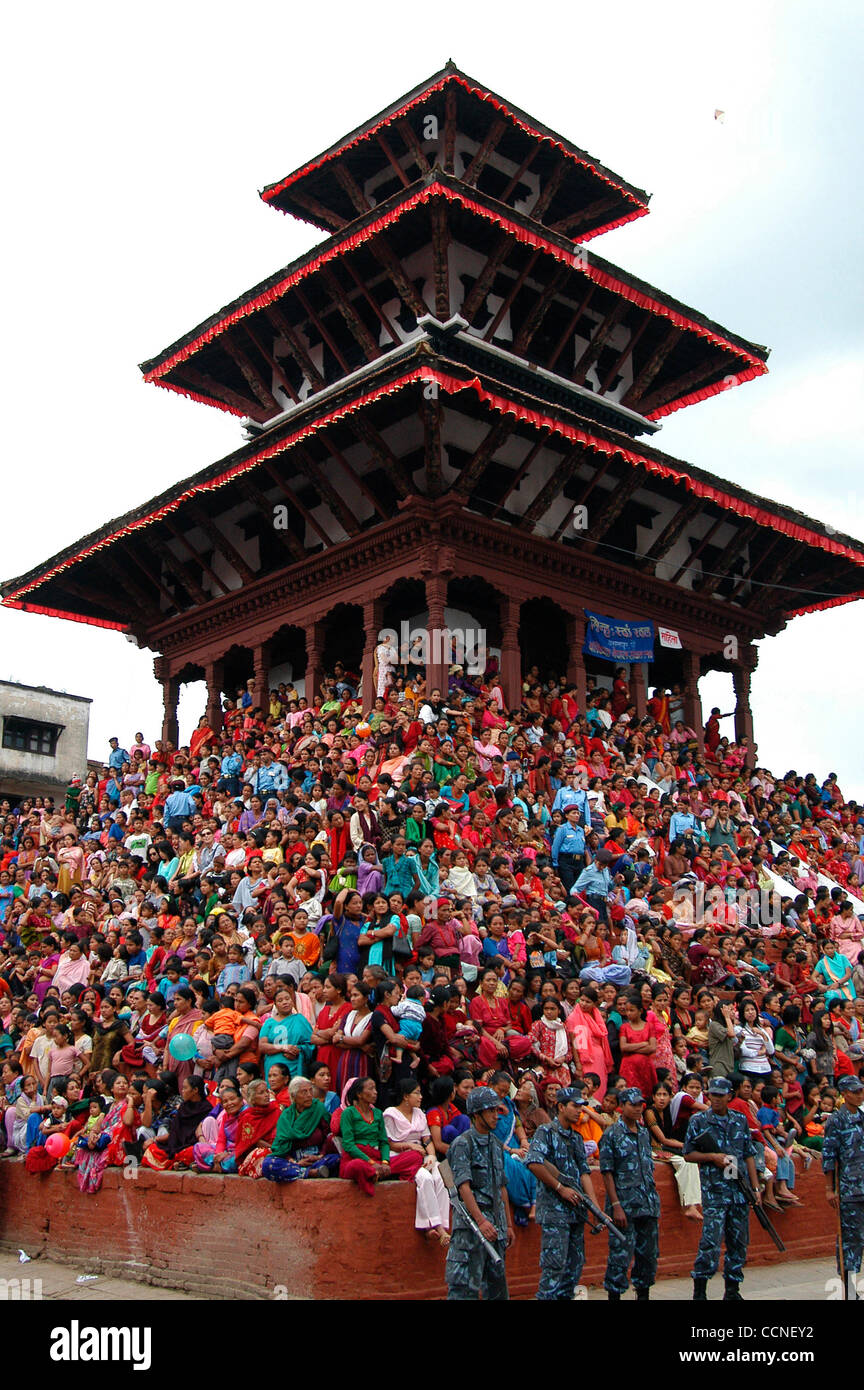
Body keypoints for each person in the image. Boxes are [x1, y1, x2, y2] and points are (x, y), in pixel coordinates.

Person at [683, 1075, 760, 1301]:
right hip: (715, 1192)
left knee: (738, 1242)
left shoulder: (739, 1119)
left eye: (720, 1095)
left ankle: (733, 1290)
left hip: (738, 1190)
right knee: (711, 1241)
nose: (715, 1099)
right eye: (712, 1095)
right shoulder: (699, 1121)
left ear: (730, 1096)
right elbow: (688, 1154)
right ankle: (700, 1290)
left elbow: (748, 1154)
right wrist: (712, 1157)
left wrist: (755, 1188)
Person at [526, 1085, 597, 1301]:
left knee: (574, 1268)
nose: (579, 1111)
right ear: (560, 1107)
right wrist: (560, 1188)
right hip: (555, 1213)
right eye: (575, 1106)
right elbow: (534, 1163)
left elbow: (584, 1173)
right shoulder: (545, 1132)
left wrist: (594, 1206)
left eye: (582, 1107)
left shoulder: (575, 1137)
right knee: (553, 1270)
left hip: (576, 1212)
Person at [445, 1085, 513, 1301]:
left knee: (498, 1290)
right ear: (476, 1114)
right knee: (464, 1290)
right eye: (490, 1111)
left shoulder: (495, 1144)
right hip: (471, 1228)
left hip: (496, 1225)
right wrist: (481, 1221)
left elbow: (502, 1186)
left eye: (496, 1110)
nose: (496, 1116)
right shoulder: (463, 1144)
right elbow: (463, 1187)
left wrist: (508, 1225)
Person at [598, 1087, 661, 1301]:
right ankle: (614, 1296)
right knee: (620, 1256)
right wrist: (615, 1205)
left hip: (647, 1203)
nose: (637, 1108)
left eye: (640, 1104)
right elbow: (607, 1172)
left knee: (648, 1256)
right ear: (621, 1106)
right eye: (632, 1104)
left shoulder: (644, 1133)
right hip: (624, 1205)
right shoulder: (612, 1134)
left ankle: (643, 1294)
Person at [823, 1073, 864, 1298]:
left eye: (861, 1091)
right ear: (844, 1094)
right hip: (849, 1189)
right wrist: (829, 1189)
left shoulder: (862, 1117)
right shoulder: (837, 1120)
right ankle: (848, 1287)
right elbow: (829, 1157)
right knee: (850, 1239)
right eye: (855, 1091)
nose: (859, 1095)